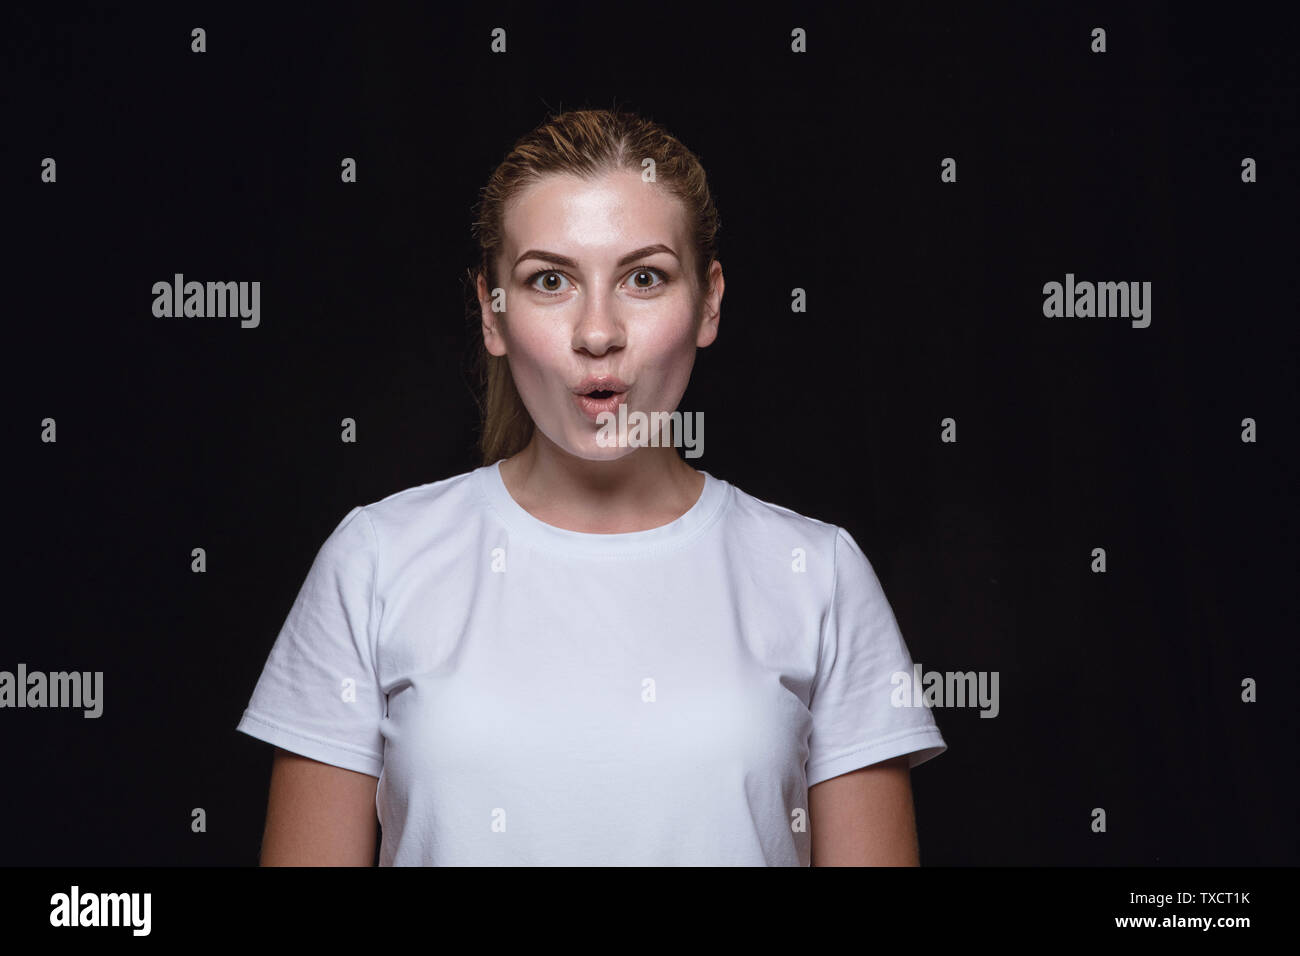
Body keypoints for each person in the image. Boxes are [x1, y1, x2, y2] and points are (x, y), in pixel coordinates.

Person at [236, 108, 947, 866]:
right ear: (492, 312)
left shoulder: (820, 575)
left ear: (708, 302)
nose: (597, 332)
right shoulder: (374, 561)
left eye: (644, 278)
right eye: (550, 280)